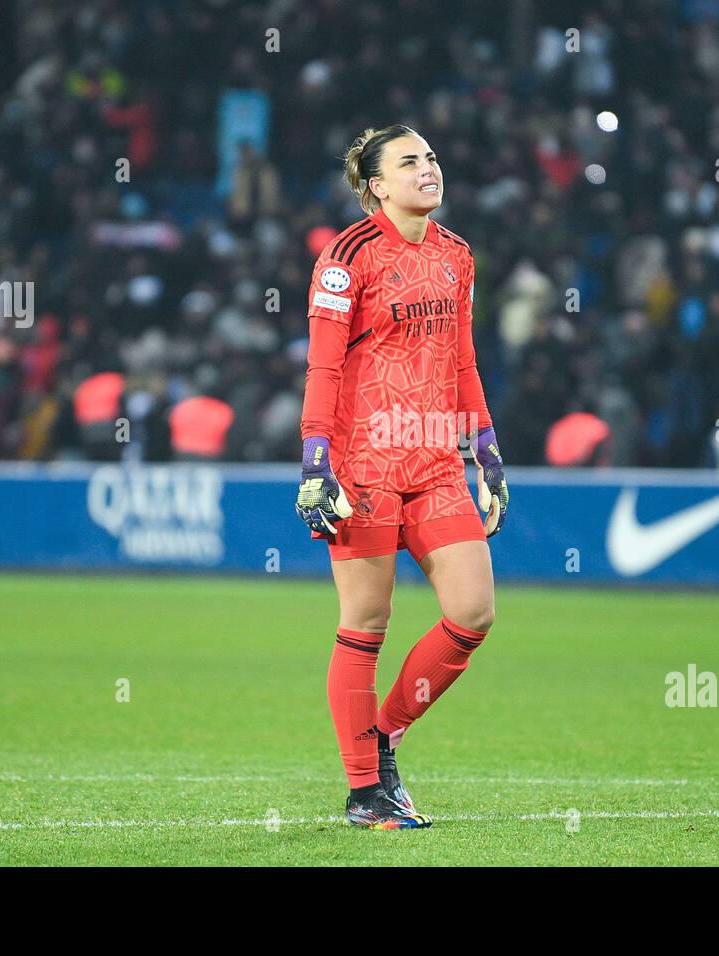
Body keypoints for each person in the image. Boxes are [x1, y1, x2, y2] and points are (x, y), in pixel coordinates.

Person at [296, 125, 509, 830]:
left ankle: (383, 737)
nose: (429, 169)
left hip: (435, 458)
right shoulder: (346, 257)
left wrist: (485, 446)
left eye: (433, 158)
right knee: (366, 621)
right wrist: (316, 460)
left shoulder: (457, 256)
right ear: (376, 186)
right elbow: (323, 366)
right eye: (410, 162)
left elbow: (463, 359)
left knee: (473, 611)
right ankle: (365, 792)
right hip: (364, 464)